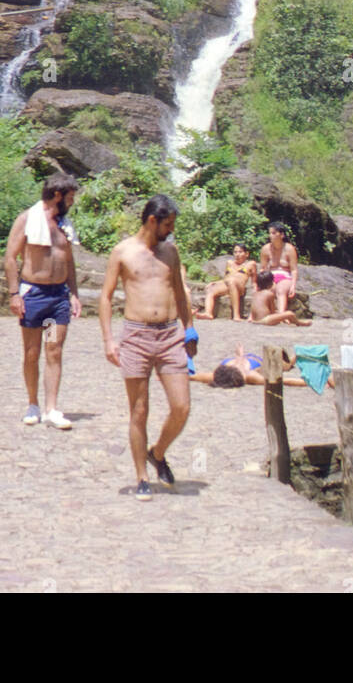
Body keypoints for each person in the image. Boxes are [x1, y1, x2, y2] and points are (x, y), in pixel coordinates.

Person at [99, 195, 198, 500]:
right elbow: (105, 297)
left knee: (181, 407)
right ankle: (142, 475)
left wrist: (190, 328)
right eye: (167, 224)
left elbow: (179, 293)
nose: (171, 230)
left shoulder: (171, 251)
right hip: (137, 335)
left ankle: (159, 452)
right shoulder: (123, 252)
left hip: (170, 335)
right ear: (152, 220)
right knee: (139, 410)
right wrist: (109, 340)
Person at [4, 174, 83, 429]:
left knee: (54, 349)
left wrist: (74, 293)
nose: (72, 202)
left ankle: (52, 408)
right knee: (31, 353)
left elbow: (69, 261)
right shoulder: (28, 219)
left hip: (57, 297)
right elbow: (10, 257)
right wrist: (14, 294)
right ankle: (33, 403)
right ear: (58, 195)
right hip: (34, 294)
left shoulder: (64, 225)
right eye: (70, 197)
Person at [190, 346, 325, 388]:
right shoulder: (216, 374)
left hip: (257, 361)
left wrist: (308, 383)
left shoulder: (249, 376)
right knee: (283, 365)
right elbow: (192, 376)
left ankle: (298, 355)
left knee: (286, 367)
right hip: (245, 358)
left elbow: (282, 381)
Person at [196, 242, 257, 321]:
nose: (237, 254)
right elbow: (226, 278)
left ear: (246, 254)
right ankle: (208, 313)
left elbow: (254, 281)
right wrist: (215, 283)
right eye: (235, 252)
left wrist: (255, 289)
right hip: (227, 285)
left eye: (240, 252)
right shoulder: (229, 263)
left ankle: (236, 315)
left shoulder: (251, 264)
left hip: (239, 287)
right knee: (211, 288)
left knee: (232, 282)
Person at [259, 221, 299, 314]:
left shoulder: (289, 249)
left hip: (285, 277)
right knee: (269, 290)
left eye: (273, 233)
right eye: (270, 233)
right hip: (270, 276)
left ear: (281, 235)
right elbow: (263, 268)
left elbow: (294, 270)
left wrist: (293, 286)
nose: (271, 236)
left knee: (280, 290)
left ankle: (281, 315)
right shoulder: (265, 249)